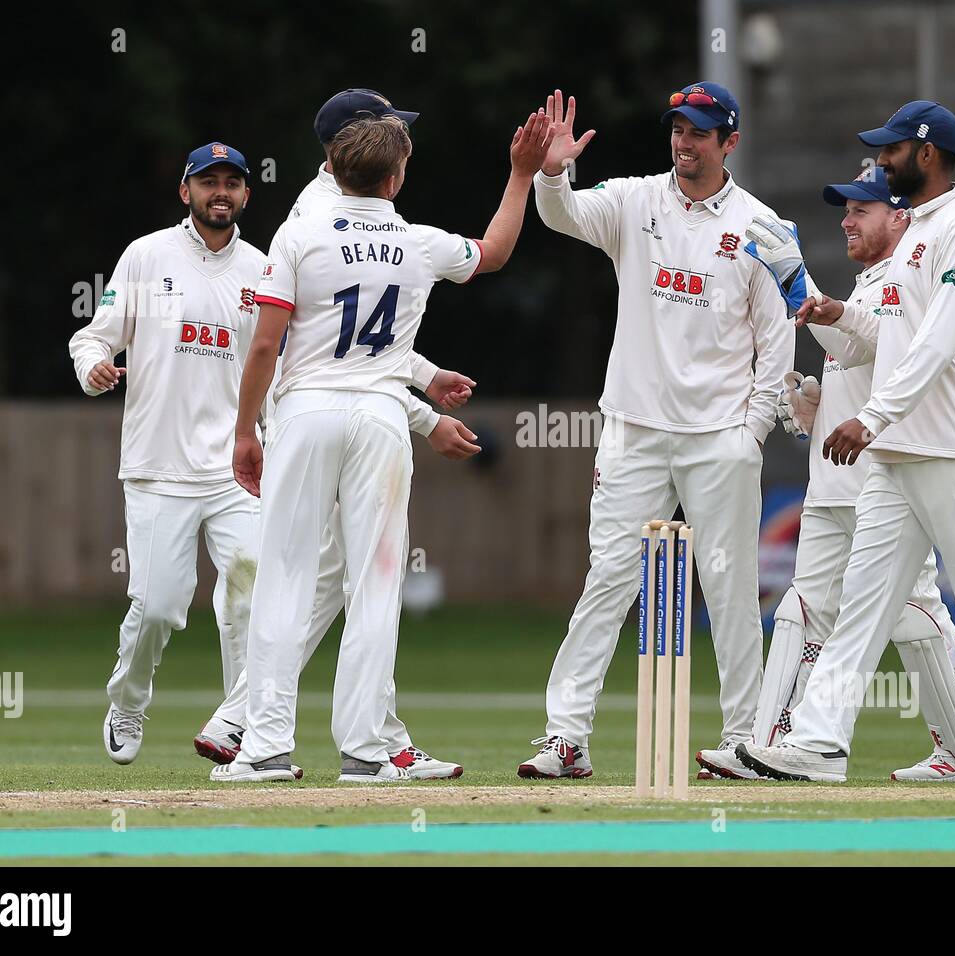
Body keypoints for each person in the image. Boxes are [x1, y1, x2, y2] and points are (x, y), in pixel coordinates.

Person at [736, 101, 955, 784]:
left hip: (953, 444)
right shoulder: (918, 233)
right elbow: (890, 332)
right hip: (899, 453)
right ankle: (818, 742)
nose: (882, 160)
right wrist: (838, 313)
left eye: (891, 151)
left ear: (926, 155)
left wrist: (872, 418)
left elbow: (940, 339)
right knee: (861, 606)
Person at [213, 106, 552, 782]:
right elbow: (495, 252)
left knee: (284, 578)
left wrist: (246, 429)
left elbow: (264, 345)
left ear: (334, 169)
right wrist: (520, 174)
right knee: (374, 586)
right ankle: (367, 750)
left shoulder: (298, 235)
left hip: (306, 413)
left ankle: (266, 749)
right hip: (380, 419)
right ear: (397, 177)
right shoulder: (419, 242)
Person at [517, 85, 797, 779]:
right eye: (677, 128)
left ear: (729, 141)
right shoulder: (635, 199)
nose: (684, 142)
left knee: (729, 587)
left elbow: (781, 334)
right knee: (608, 577)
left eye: (699, 132)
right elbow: (562, 217)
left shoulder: (764, 228)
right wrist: (553, 172)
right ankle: (566, 737)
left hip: (718, 438)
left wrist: (752, 432)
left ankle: (742, 739)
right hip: (633, 431)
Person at [696, 166, 955, 781]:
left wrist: (796, 282)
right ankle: (768, 740)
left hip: (886, 475)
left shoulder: (908, 273)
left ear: (899, 216)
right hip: (833, 480)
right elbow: (852, 359)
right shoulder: (867, 282)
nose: (847, 220)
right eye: (845, 209)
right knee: (804, 609)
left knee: (913, 614)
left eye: (861, 209)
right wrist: (812, 402)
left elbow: (877, 347)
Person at [68, 143, 268, 765]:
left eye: (232, 182)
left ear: (245, 195)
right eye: (208, 181)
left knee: (249, 597)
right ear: (186, 191)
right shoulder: (147, 256)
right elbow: (91, 336)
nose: (220, 192)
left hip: (237, 470)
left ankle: (245, 730)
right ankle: (128, 703)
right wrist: (96, 366)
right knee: (157, 608)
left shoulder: (264, 271)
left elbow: (279, 369)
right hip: (157, 466)